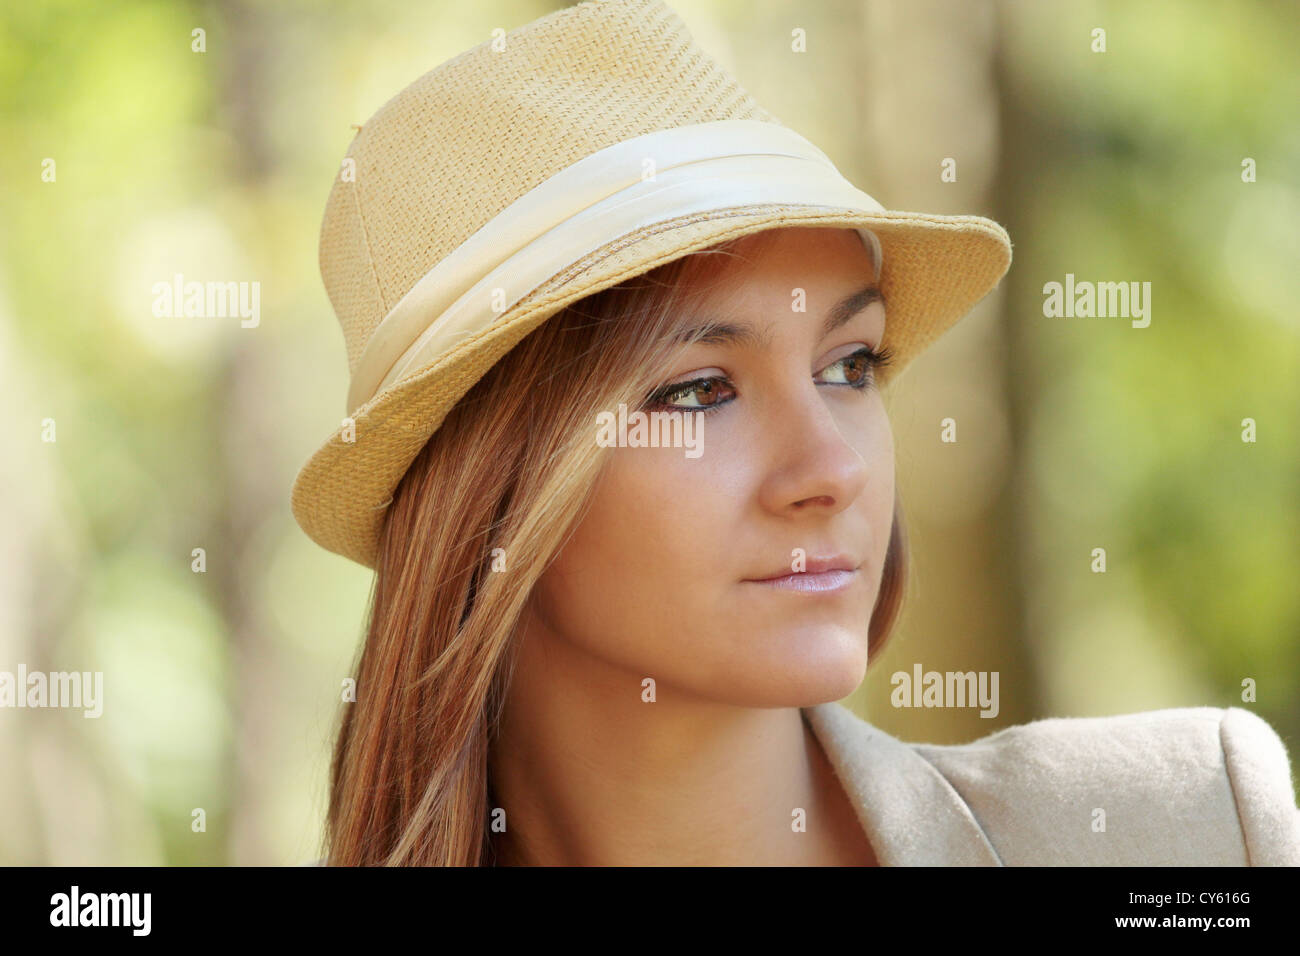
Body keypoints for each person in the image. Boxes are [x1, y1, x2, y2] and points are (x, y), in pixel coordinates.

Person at [290, 0, 1300, 866]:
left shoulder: (1186, 829)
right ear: (487, 494)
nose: (830, 470)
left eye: (849, 365)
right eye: (695, 391)